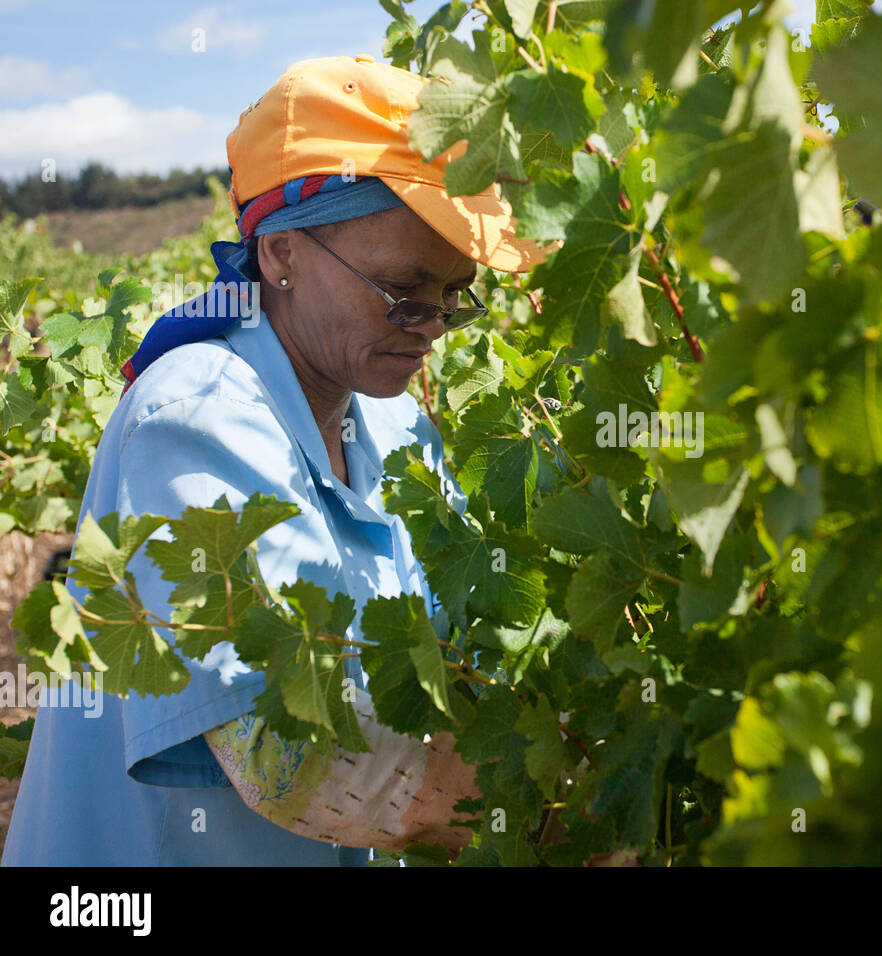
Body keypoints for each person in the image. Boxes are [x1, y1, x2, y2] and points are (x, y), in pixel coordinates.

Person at [2, 54, 548, 866]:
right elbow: (290, 751)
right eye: (405, 289)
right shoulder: (191, 417)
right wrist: (550, 813)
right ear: (281, 256)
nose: (431, 324)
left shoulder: (397, 433)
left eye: (455, 296)